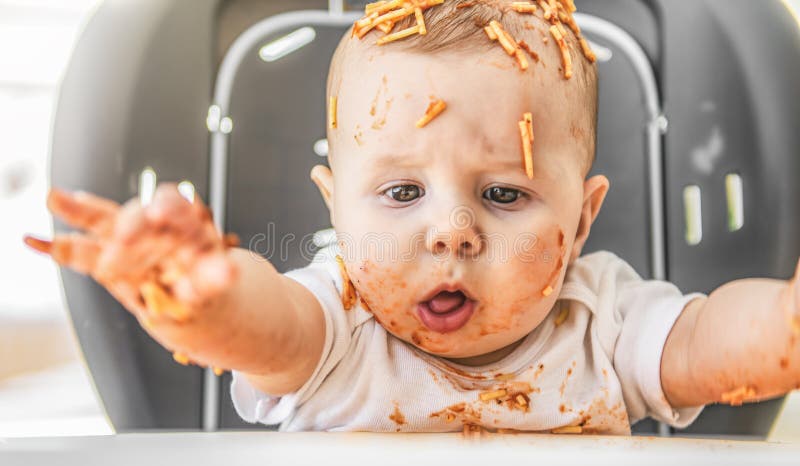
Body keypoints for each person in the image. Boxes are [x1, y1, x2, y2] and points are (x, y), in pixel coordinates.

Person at [25, 0, 800, 434]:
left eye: (504, 194)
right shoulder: (340, 324)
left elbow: (706, 342)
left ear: (582, 218)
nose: (452, 231)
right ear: (336, 207)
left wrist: (785, 325)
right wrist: (200, 298)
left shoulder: (602, 324)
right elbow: (266, 328)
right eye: (402, 194)